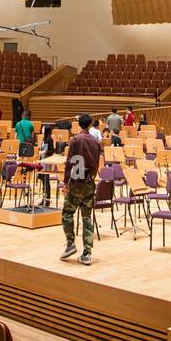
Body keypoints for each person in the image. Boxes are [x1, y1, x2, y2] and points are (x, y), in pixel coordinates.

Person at [61, 113, 102, 266]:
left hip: (76, 183)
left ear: (79, 125)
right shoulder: (96, 142)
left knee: (67, 214)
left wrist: (66, 182)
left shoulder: (75, 140)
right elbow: (97, 164)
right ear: (90, 124)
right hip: (89, 183)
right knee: (86, 218)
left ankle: (70, 243)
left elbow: (70, 162)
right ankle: (87, 253)